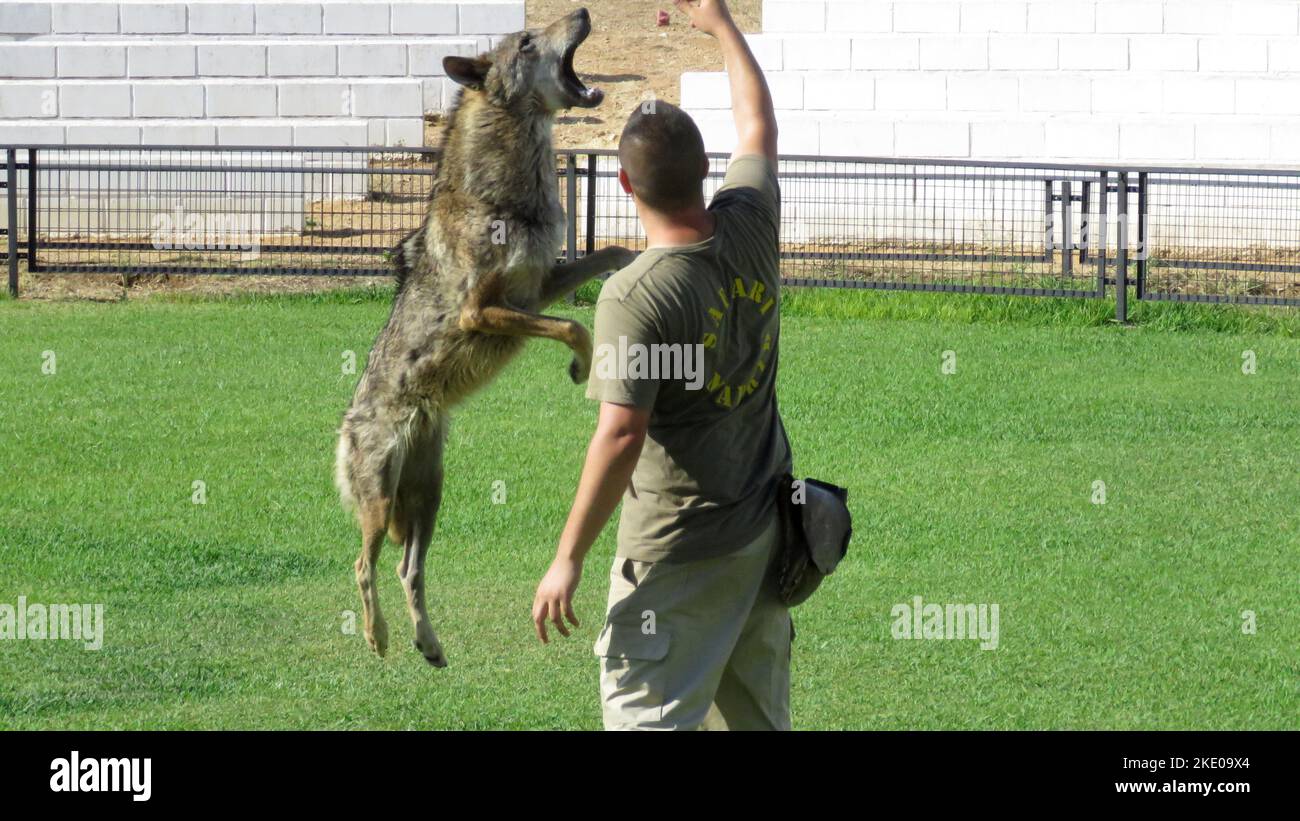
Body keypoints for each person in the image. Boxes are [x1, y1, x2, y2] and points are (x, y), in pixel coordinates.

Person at [531, 0, 792, 731]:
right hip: (761, 533)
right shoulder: (751, 221)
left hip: (677, 554)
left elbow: (620, 435)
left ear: (623, 186)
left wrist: (567, 556)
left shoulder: (634, 295)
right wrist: (720, 26)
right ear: (708, 170)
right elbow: (759, 125)